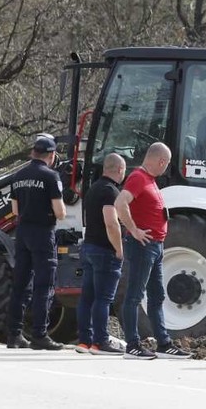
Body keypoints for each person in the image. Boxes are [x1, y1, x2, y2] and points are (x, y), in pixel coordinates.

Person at [114, 142, 192, 360]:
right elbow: (120, 203)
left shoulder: (150, 180)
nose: (166, 168)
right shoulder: (138, 178)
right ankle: (132, 345)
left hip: (156, 246)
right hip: (143, 246)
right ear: (161, 161)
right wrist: (134, 230)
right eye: (166, 164)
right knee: (135, 295)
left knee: (157, 295)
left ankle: (164, 343)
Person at [5, 134, 67, 350]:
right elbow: (59, 212)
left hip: (22, 232)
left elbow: (14, 210)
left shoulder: (18, 175)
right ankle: (40, 335)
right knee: (44, 284)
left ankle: (14, 334)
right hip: (42, 233)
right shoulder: (51, 176)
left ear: (33, 153)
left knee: (20, 284)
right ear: (51, 155)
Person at [76, 152, 127, 355]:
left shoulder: (93, 189)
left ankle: (84, 341)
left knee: (87, 296)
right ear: (120, 170)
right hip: (105, 250)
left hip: (88, 248)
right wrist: (119, 249)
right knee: (104, 298)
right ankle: (100, 342)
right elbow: (111, 222)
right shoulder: (110, 191)